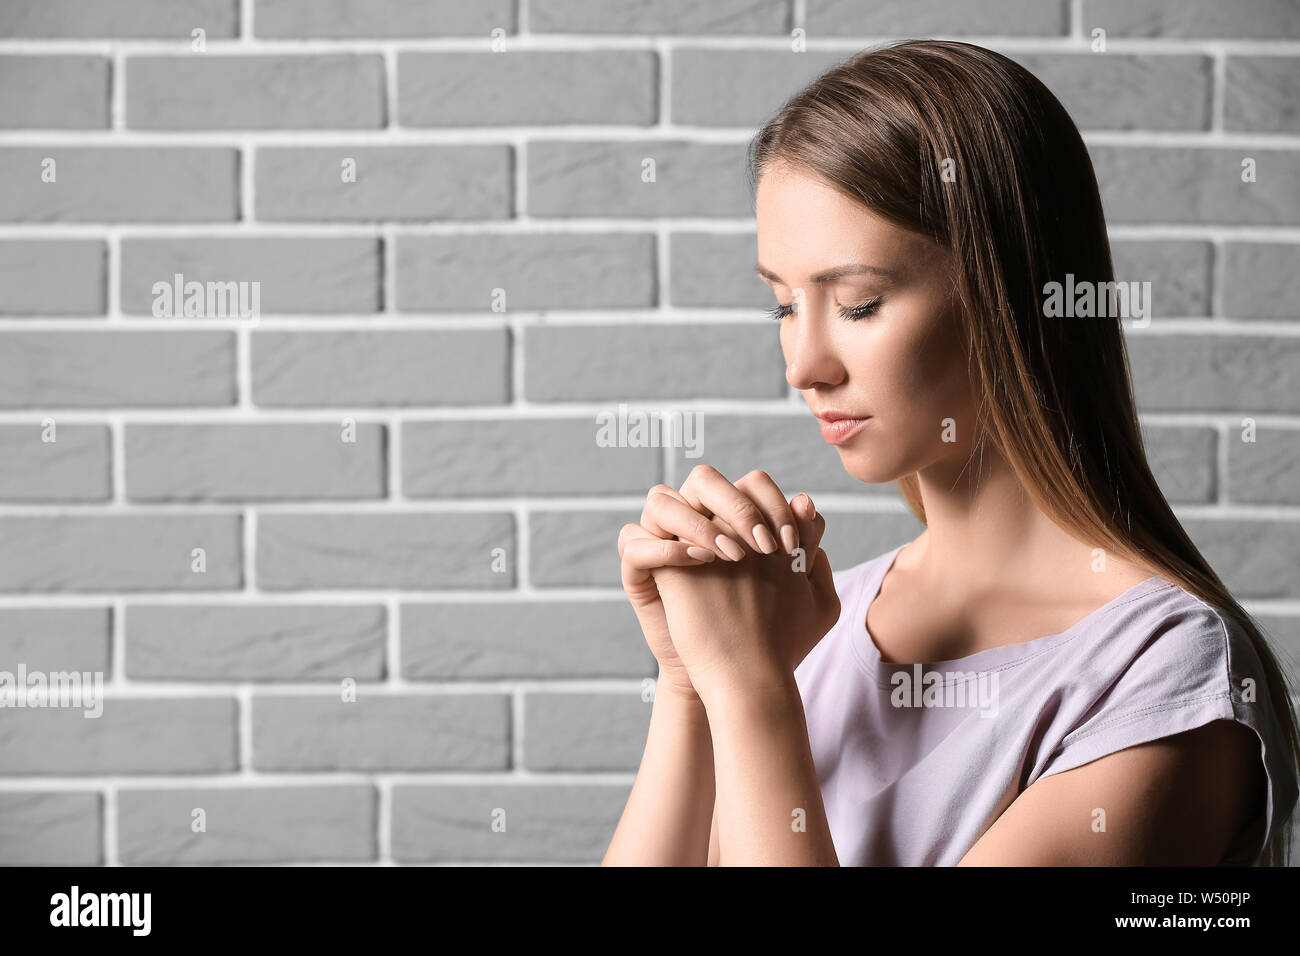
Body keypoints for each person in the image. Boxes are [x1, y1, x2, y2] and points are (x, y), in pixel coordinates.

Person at [601, 40, 1299, 867]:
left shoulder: (1163, 678)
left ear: (1009, 290)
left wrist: (752, 696)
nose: (802, 366)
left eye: (858, 305)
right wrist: (689, 681)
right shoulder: (809, 623)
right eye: (783, 307)